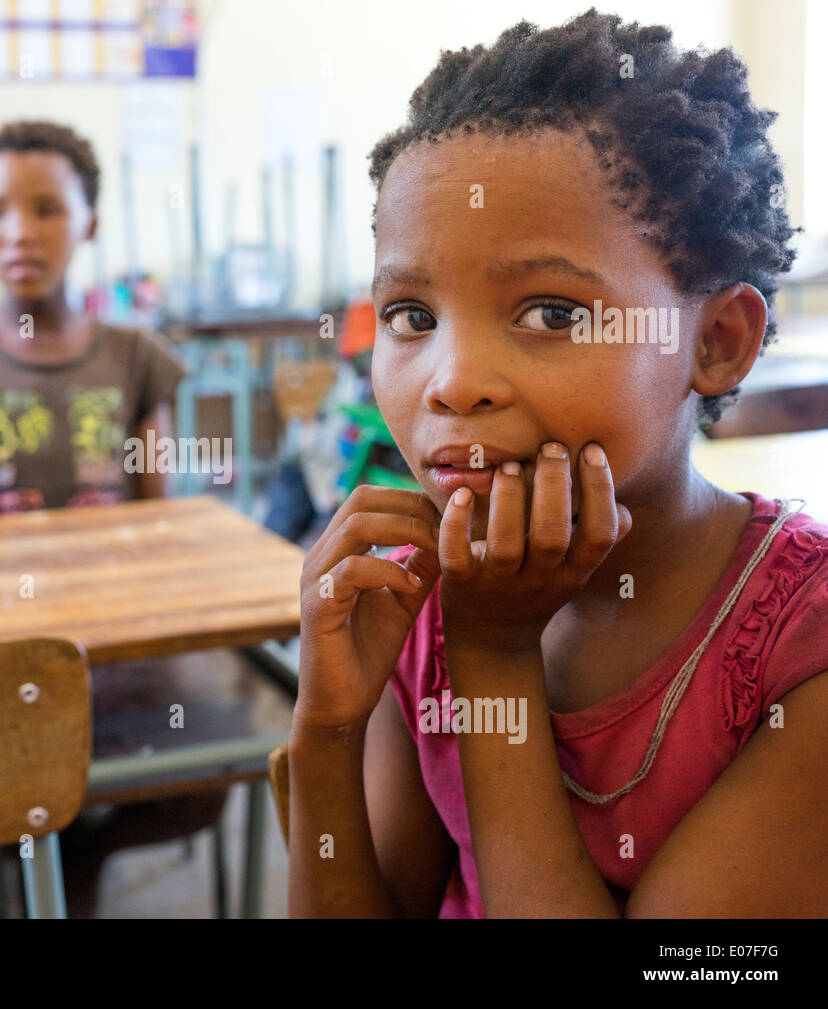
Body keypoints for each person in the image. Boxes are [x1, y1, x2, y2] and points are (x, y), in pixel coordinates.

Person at [290, 10, 827, 917]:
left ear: (718, 340)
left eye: (549, 312)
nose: (453, 384)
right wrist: (325, 729)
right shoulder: (415, 602)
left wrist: (496, 657)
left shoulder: (799, 652)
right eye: (412, 317)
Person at [0, 121, 227, 916]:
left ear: (89, 223)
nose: (20, 231)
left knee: (212, 779)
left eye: (47, 208)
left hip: (123, 638)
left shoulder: (137, 356)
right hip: (2, 638)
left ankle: (83, 848)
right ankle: (52, 858)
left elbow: (159, 525)